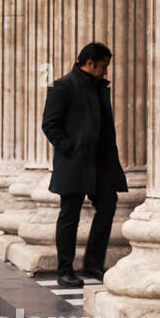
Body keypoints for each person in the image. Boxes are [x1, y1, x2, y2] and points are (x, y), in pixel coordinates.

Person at [40, 42, 129, 288]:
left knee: (108, 205)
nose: (106, 72)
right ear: (89, 63)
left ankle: (92, 263)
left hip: (100, 163)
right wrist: (70, 147)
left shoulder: (99, 87)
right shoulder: (61, 86)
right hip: (74, 162)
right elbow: (49, 124)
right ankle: (65, 270)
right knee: (69, 215)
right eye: (103, 66)